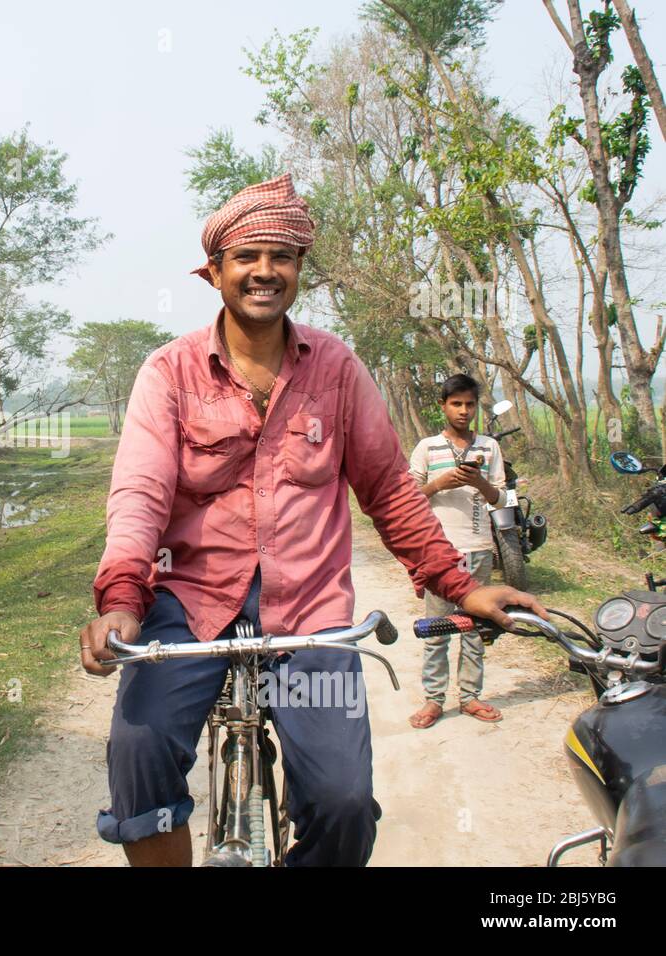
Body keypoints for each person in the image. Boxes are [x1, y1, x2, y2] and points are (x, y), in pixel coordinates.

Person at [79, 173, 546, 867]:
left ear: (299, 269)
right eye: (246, 257)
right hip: (188, 602)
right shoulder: (168, 373)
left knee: (344, 801)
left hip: (311, 611)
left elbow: (389, 489)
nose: (265, 271)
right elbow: (140, 494)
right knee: (138, 751)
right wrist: (121, 601)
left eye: (282, 256)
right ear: (214, 272)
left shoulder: (337, 367)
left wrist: (457, 581)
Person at [406, 374, 507, 729]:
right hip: (438, 552)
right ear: (443, 406)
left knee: (475, 628)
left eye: (470, 404)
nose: (464, 411)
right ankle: (434, 700)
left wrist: (479, 481)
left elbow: (501, 498)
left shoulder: (490, 448)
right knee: (437, 630)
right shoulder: (427, 447)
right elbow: (406, 498)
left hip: (478, 548)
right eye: (456, 404)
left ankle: (470, 696)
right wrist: (439, 483)